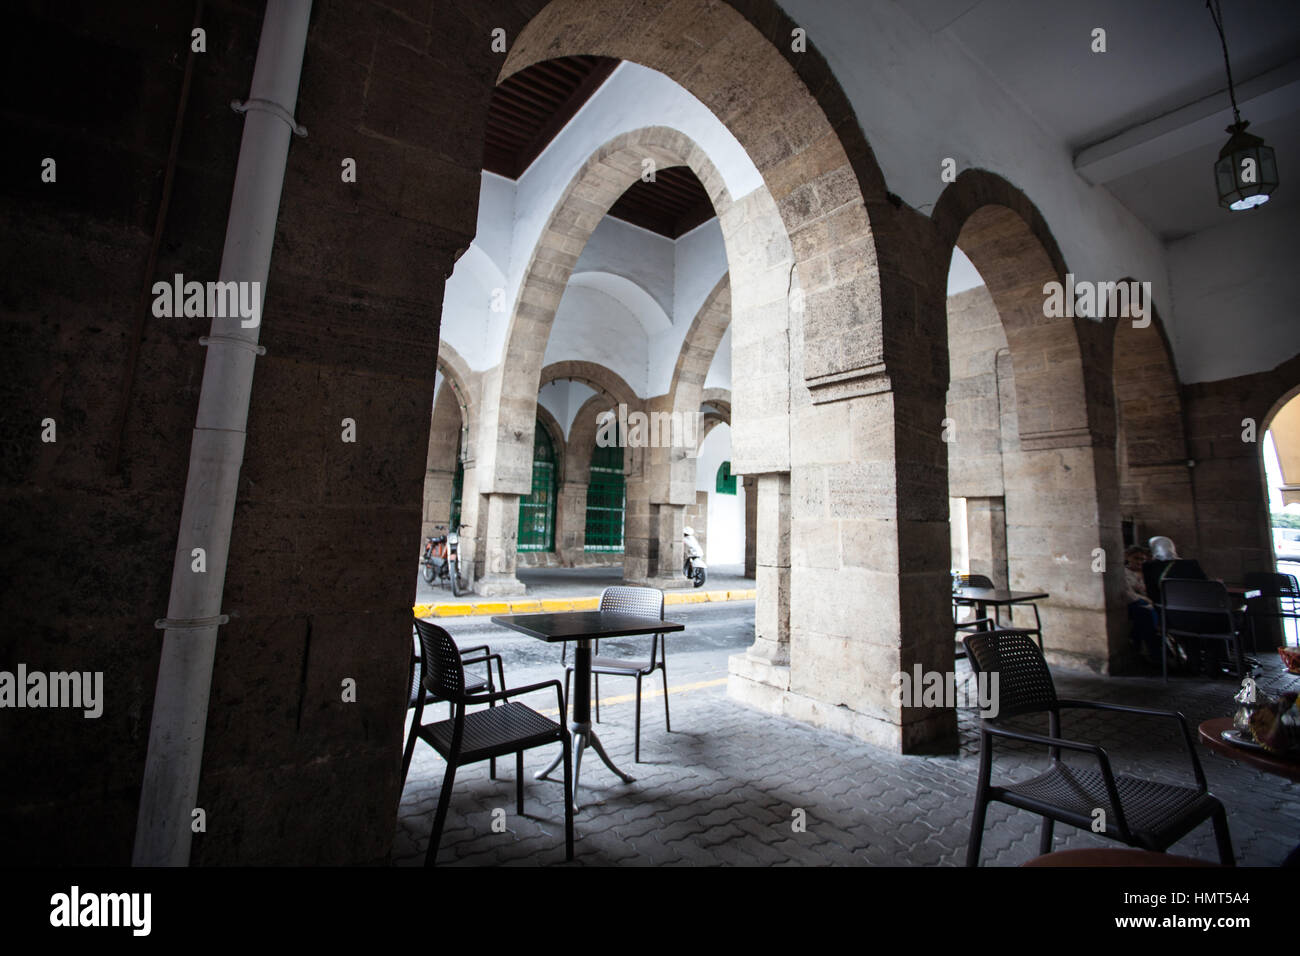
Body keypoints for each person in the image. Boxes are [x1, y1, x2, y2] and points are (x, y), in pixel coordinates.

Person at [1124, 545, 1161, 665]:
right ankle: (1155, 653)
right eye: (1136, 558)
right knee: (1146, 614)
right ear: (1128, 557)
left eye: (1142, 559)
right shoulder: (1125, 573)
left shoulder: (1148, 573)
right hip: (1136, 603)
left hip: (1151, 603)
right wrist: (1145, 599)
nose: (1139, 562)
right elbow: (1127, 593)